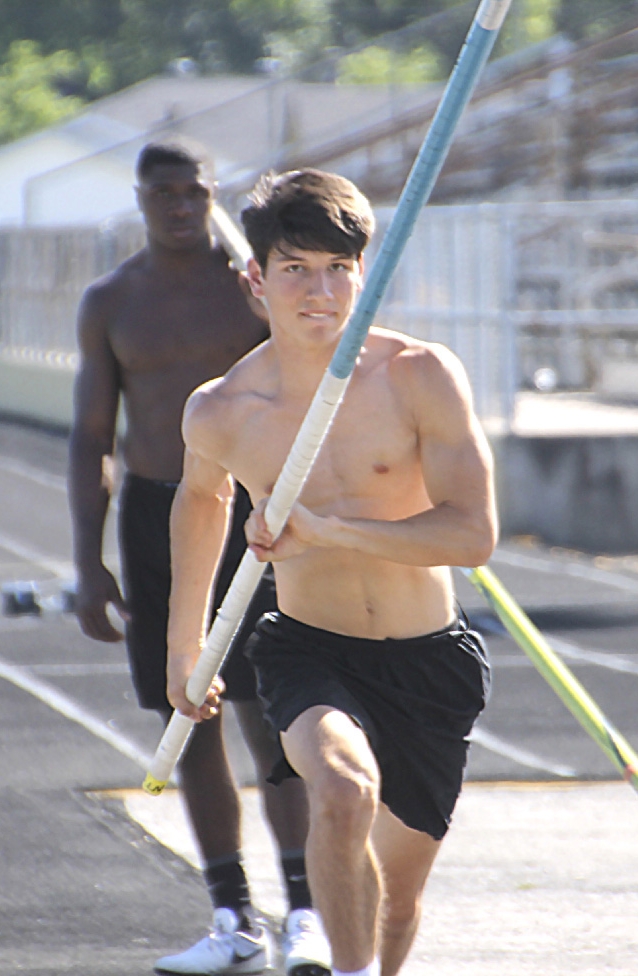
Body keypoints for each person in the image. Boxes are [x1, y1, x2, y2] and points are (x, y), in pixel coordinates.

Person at [164, 169, 498, 976]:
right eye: (295, 269)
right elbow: (201, 504)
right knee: (342, 794)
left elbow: (473, 534)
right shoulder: (222, 409)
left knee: (399, 900)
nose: (321, 291)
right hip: (309, 649)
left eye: (340, 269)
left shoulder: (420, 374)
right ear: (256, 279)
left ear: (366, 271)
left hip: (430, 658)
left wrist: (332, 530)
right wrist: (186, 649)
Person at [67, 141, 330, 976]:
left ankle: (307, 913)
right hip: (154, 516)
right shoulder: (112, 301)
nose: (180, 206)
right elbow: (91, 438)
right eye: (163, 194)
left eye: (195, 192)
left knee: (272, 713)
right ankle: (232, 916)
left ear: (212, 194)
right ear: (141, 200)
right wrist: (87, 562)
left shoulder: (256, 287)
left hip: (255, 511)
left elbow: (316, 385)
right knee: (190, 715)